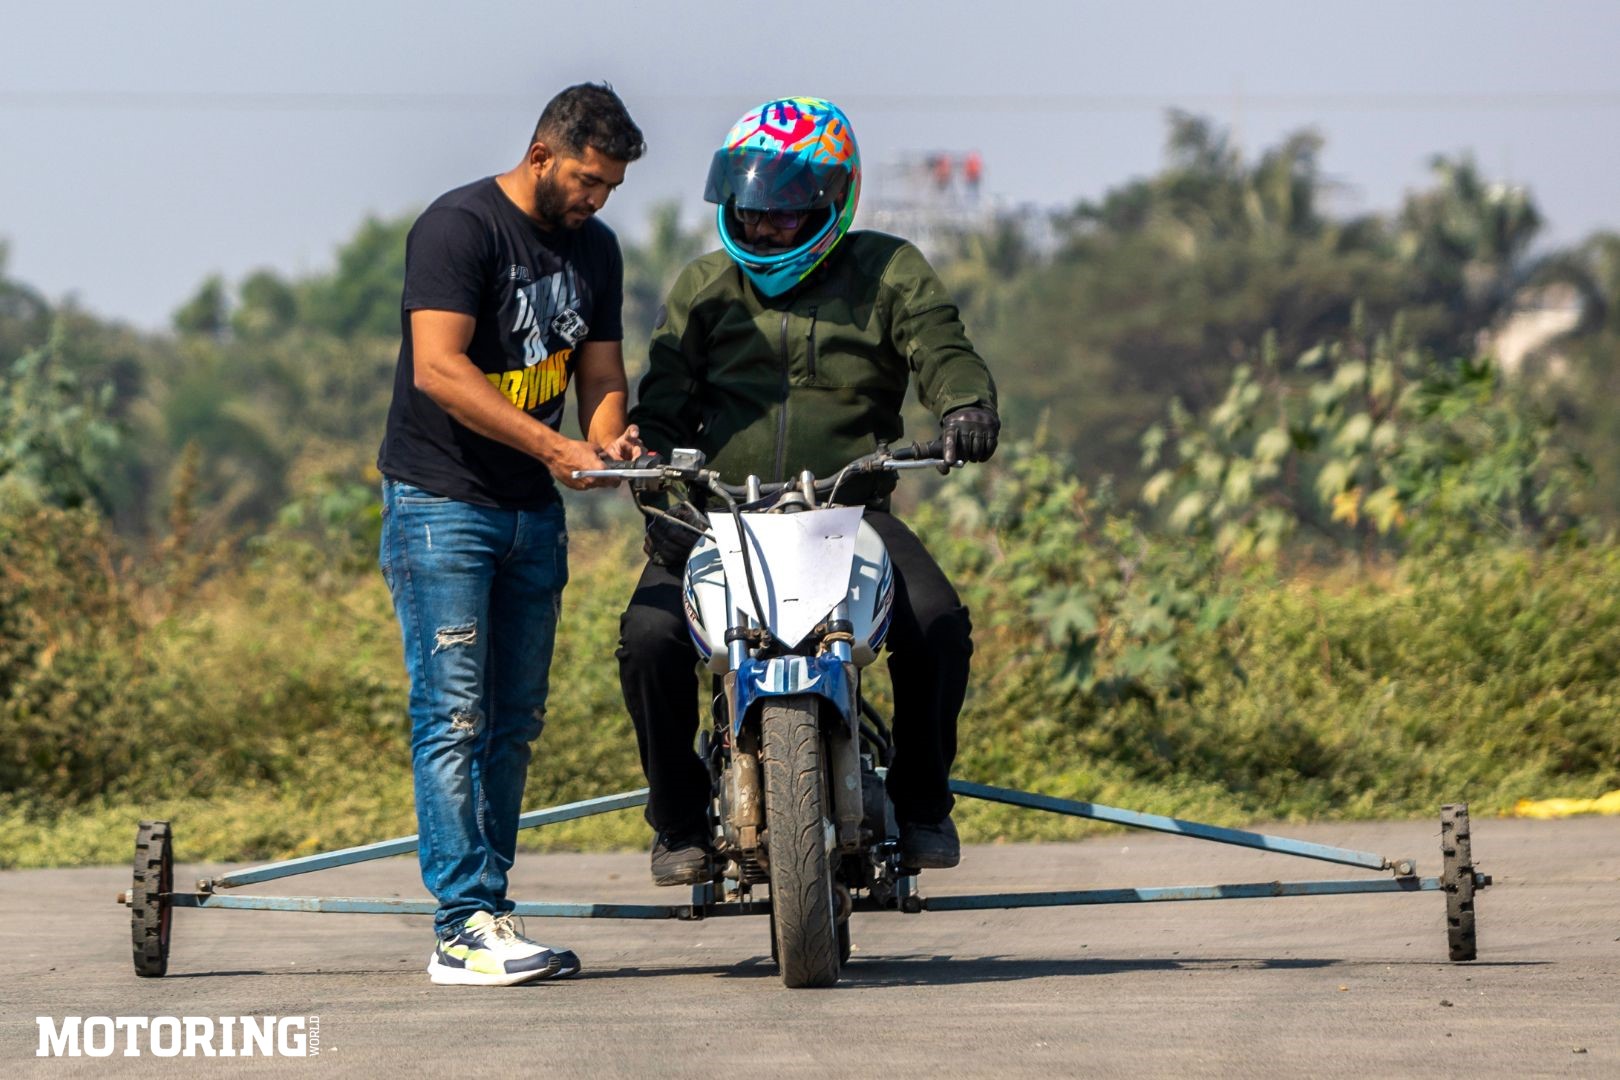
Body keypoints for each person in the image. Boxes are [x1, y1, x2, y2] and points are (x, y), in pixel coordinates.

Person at [617, 97, 999, 887]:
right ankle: (679, 820)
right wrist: (655, 482)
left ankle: (925, 804)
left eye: (787, 215)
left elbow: (942, 347)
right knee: (647, 641)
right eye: (752, 211)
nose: (764, 228)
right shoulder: (704, 285)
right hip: (721, 514)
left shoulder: (888, 269)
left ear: (835, 201)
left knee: (939, 624)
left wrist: (965, 405)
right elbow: (658, 402)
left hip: (850, 512)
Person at [376, 82, 644, 985]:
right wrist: (553, 445)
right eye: (588, 179)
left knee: (515, 721)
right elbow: (440, 371)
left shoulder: (596, 250)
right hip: (442, 507)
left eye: (609, 187)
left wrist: (610, 440)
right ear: (543, 155)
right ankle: (461, 925)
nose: (597, 199)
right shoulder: (458, 229)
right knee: (452, 716)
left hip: (534, 514)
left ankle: (488, 905)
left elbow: (601, 373)